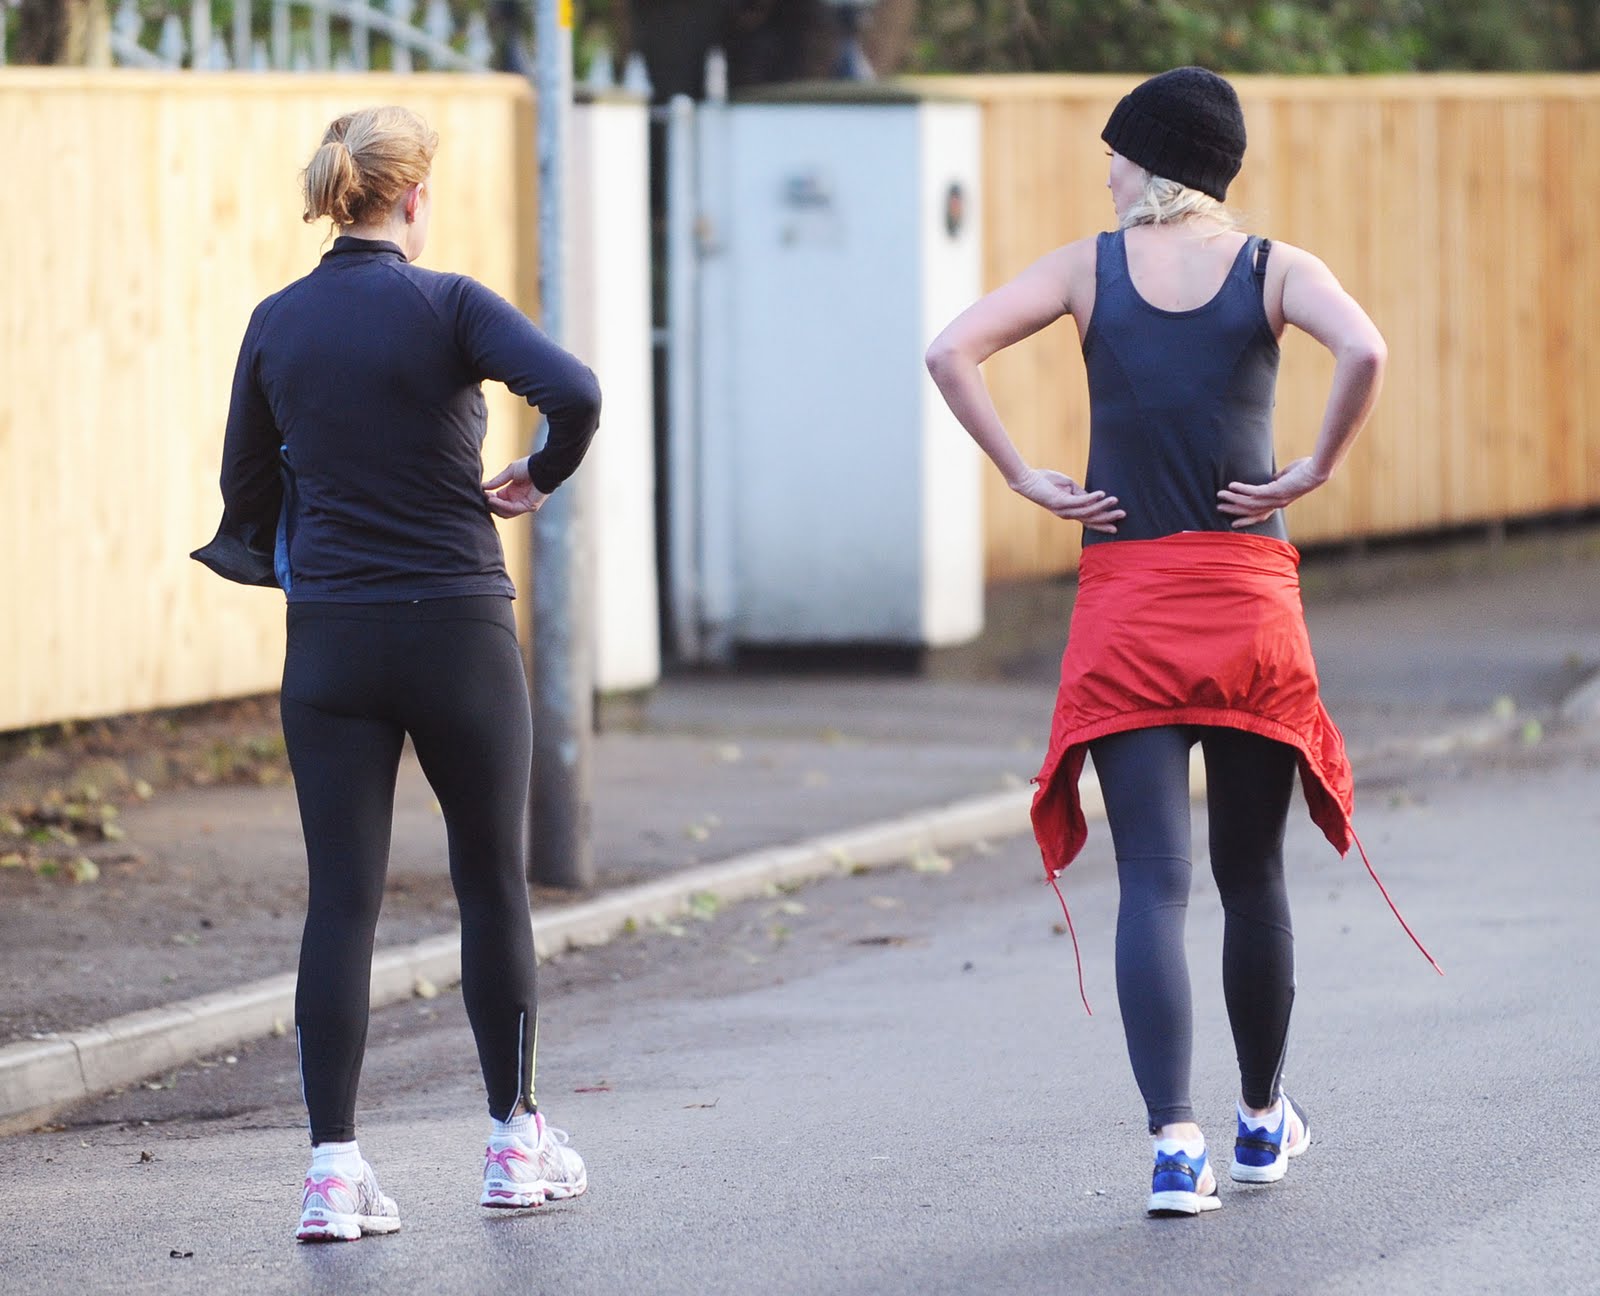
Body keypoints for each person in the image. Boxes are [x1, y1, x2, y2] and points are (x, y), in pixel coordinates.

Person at [925, 67, 1408, 1217]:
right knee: (1251, 874)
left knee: (1151, 881)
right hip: (1246, 602)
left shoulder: (1084, 271)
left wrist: (1022, 474)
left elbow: (950, 351)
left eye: (1117, 152)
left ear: (1154, 161)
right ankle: (1259, 1123)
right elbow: (1368, 352)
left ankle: (1174, 1149)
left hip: (1128, 605)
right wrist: (1312, 470)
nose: (1106, 171)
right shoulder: (1274, 269)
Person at [198, 105, 601, 1242]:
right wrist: (537, 474)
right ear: (415, 197)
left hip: (332, 641)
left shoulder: (277, 321)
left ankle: (333, 1172)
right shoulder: (450, 304)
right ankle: (515, 1146)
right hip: (456, 631)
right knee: (490, 884)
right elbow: (575, 394)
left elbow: (243, 486)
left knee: (342, 901)